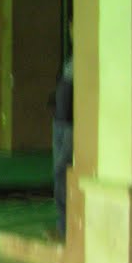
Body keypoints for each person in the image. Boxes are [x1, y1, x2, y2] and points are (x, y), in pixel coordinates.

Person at [52, 37, 74, 241]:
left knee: (61, 173)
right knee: (58, 174)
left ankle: (65, 228)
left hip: (70, 126)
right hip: (59, 122)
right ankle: (62, 225)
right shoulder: (70, 59)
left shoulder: (85, 58)